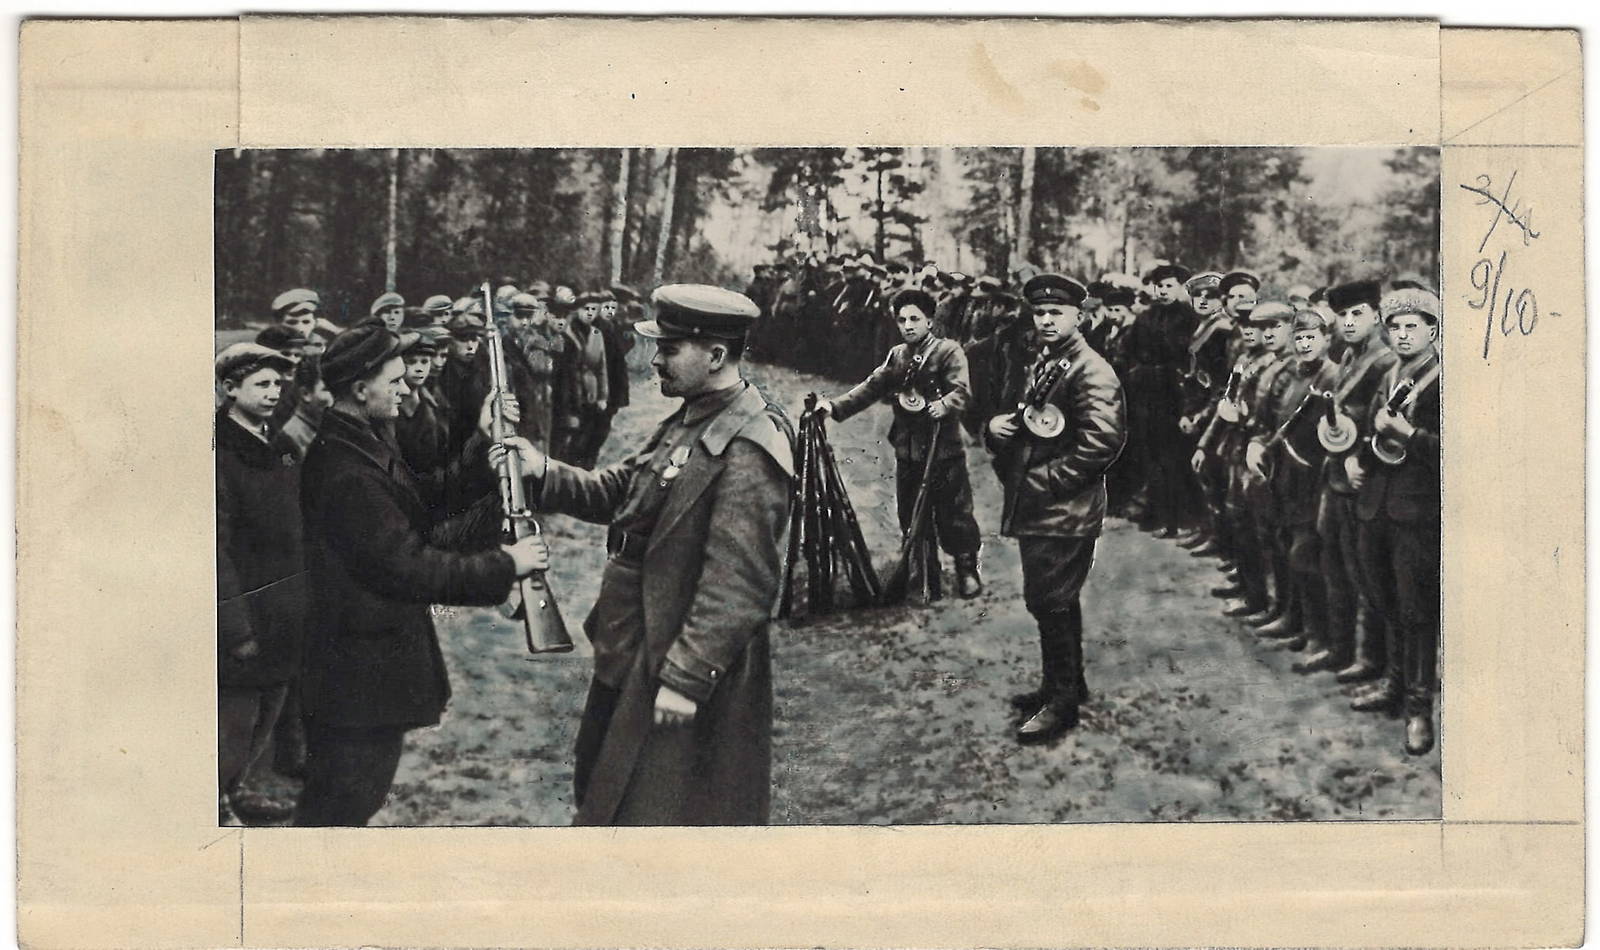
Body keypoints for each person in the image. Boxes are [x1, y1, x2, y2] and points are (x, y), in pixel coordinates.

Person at [497, 284, 793, 825]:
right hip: (636, 640)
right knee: (604, 785)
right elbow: (625, 492)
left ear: (717, 355)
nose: (654, 358)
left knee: (660, 811)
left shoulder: (748, 443)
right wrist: (543, 469)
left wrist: (685, 679)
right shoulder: (693, 415)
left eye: (671, 348)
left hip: (676, 653)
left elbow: (740, 582)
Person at [294, 325, 549, 827]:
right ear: (360, 389)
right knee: (341, 806)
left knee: (351, 801)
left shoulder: (360, 440)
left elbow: (421, 503)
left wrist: (481, 446)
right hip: (357, 674)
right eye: (396, 382)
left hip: (365, 667)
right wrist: (507, 565)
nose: (408, 389)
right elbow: (406, 564)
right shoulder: (345, 471)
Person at [984, 274, 1126, 744]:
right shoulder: (1053, 360)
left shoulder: (1091, 369)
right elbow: (1036, 420)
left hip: (1064, 509)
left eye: (1055, 314)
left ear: (1078, 317)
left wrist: (1044, 483)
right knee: (1054, 598)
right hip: (1046, 507)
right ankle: (1065, 684)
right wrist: (998, 428)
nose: (1045, 320)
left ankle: (1061, 702)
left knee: (1050, 598)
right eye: (1039, 313)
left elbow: (1102, 443)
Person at [815, 288, 985, 599]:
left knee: (955, 514)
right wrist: (834, 407)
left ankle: (966, 569)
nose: (907, 325)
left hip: (943, 449)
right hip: (908, 449)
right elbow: (871, 386)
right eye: (902, 320)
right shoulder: (897, 355)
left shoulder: (948, 351)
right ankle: (923, 571)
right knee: (911, 515)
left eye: (914, 319)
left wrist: (945, 404)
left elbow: (962, 389)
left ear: (930, 321)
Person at [215, 343, 306, 824]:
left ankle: (237, 790)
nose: (274, 393)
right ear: (230, 389)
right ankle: (219, 799)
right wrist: (236, 629)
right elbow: (216, 550)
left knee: (269, 708)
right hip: (245, 616)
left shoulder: (283, 446)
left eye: (278, 384)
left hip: (285, 609)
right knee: (236, 716)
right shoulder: (219, 451)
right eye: (262, 385)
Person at [1352, 288, 1442, 753]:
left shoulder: (1445, 381)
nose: (1403, 334)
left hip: (1418, 512)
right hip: (1376, 502)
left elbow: (1459, 454)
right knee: (1382, 598)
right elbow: (1370, 430)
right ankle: (1393, 686)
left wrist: (1410, 433)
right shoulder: (1387, 374)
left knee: (1416, 611)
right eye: (1396, 327)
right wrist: (1356, 458)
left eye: (1413, 326)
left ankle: (1419, 710)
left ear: (1432, 330)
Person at [1318, 279, 1399, 699]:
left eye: (1357, 314)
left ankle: (1374, 660)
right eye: (1342, 315)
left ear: (1375, 316)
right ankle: (1342, 648)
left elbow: (1377, 421)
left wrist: (1358, 457)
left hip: (1365, 477)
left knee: (1369, 572)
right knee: (1337, 561)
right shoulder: (1349, 356)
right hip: (1337, 472)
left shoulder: (1385, 361)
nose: (1348, 322)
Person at [278, 357, 333, 460]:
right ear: (305, 394)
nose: (333, 398)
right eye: (326, 389)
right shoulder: (288, 439)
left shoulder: (327, 429)